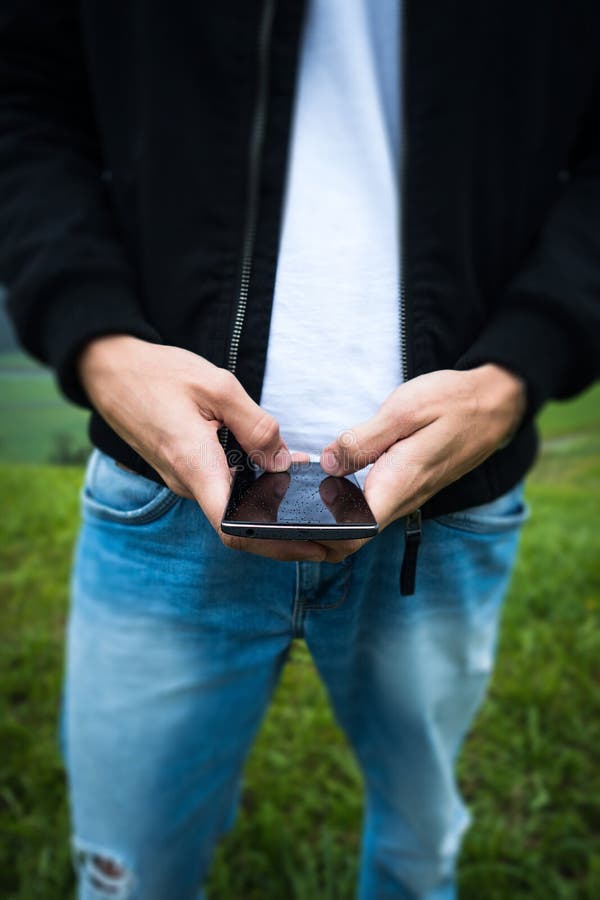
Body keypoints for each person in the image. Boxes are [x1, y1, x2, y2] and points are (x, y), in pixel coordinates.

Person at [1, 1, 599, 897]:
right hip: (162, 492)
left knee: (417, 856)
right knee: (129, 874)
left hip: (450, 500)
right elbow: (21, 100)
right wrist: (101, 344)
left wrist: (515, 369)